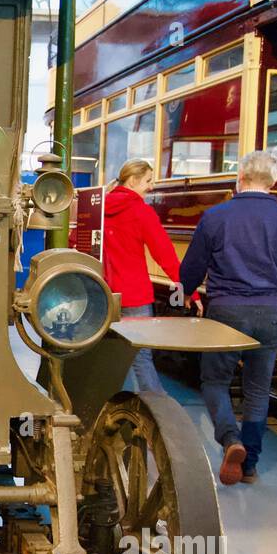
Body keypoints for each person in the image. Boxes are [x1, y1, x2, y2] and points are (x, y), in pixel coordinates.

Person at [180, 151, 277, 486]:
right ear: (273, 182)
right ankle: (250, 466)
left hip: (225, 311)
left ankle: (231, 440)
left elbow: (193, 265)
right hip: (271, 312)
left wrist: (187, 291)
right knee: (258, 390)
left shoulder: (216, 216)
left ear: (240, 177)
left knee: (214, 382)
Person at [102, 158, 200, 393]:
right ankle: (158, 408)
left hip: (102, 293)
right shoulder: (141, 211)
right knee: (141, 356)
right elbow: (165, 255)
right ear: (134, 181)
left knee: (104, 356)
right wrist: (189, 290)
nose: (151, 187)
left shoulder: (99, 207)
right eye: (148, 181)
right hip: (134, 295)